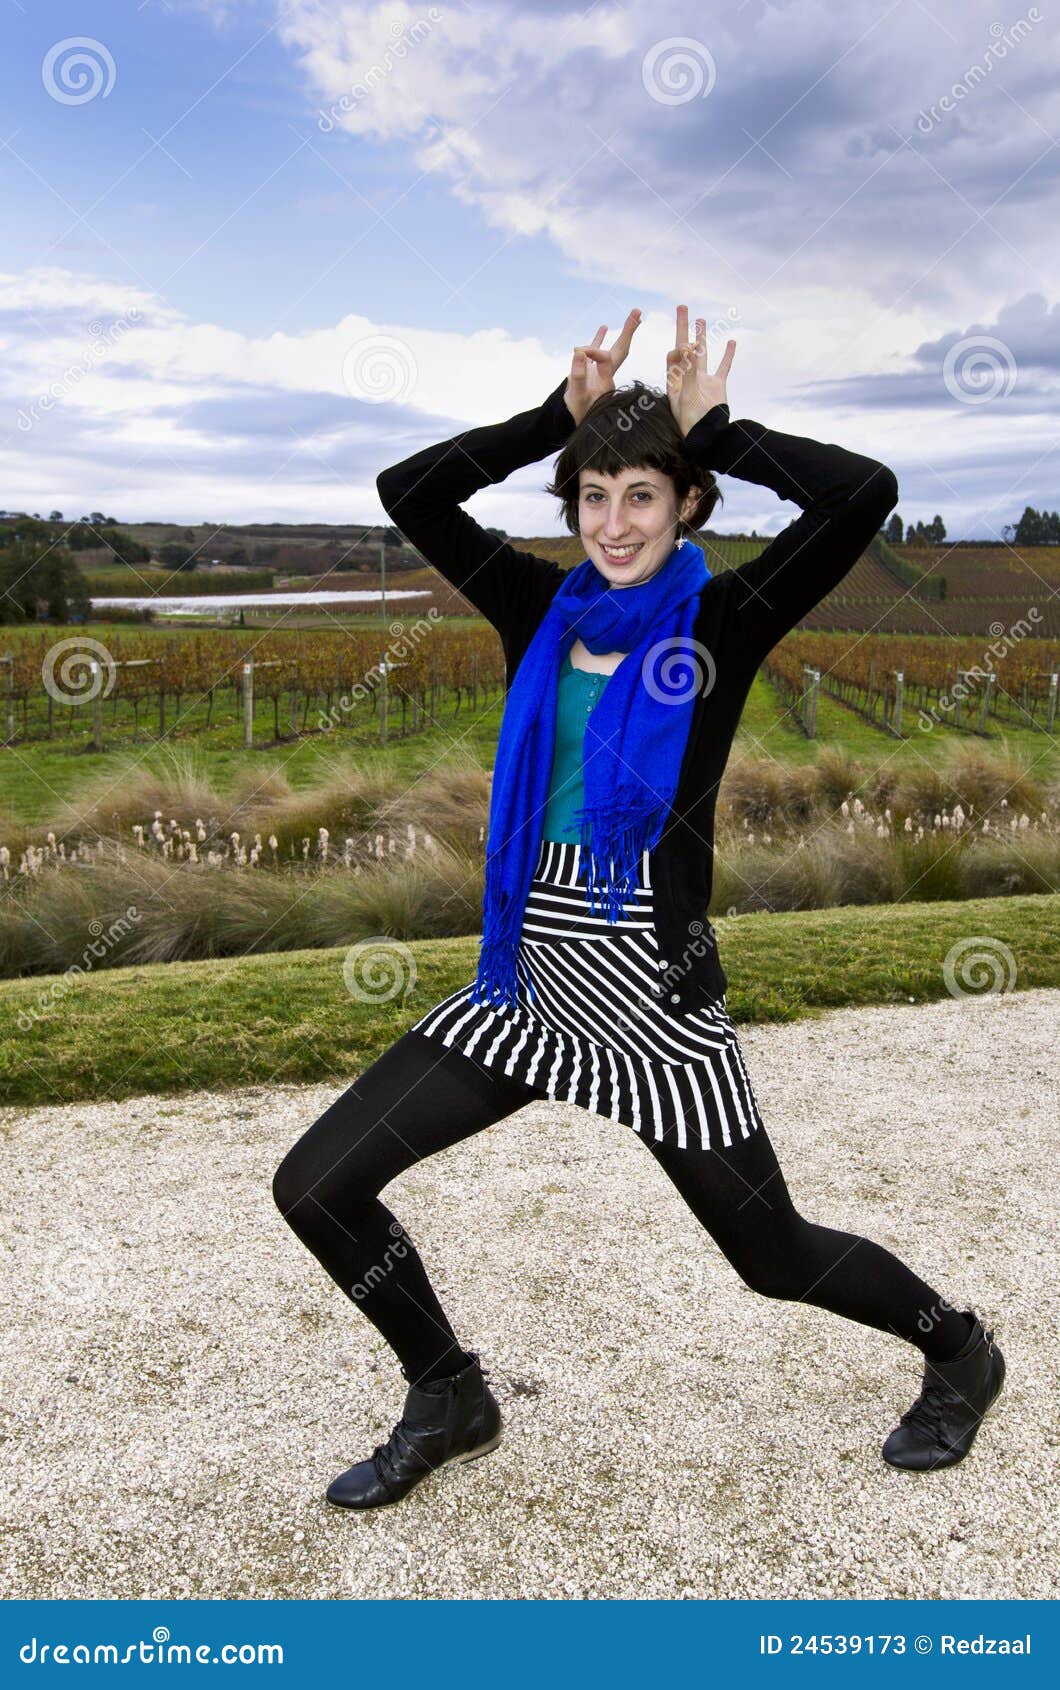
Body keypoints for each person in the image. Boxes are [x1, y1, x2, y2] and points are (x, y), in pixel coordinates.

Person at [273, 306, 1005, 1511]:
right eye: (593, 496)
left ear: (687, 506)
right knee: (317, 1185)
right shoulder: (536, 609)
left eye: (642, 497)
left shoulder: (721, 622)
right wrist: (548, 420)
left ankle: (958, 1344)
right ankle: (448, 1388)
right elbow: (408, 489)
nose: (613, 525)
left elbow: (862, 492)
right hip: (527, 989)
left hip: (652, 998)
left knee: (772, 1259)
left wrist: (720, 426)